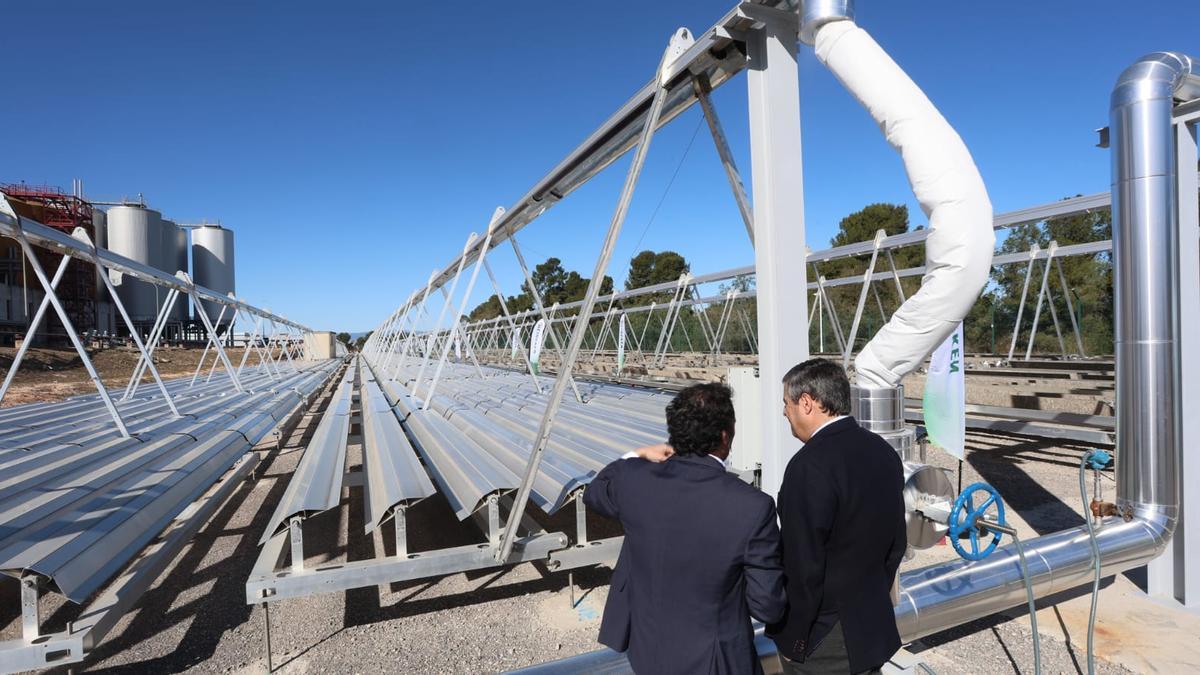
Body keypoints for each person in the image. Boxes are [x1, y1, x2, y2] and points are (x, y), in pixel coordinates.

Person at [584, 382, 786, 674]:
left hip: (647, 653)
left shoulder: (634, 481)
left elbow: (596, 490)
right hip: (716, 662)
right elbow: (767, 606)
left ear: (674, 431)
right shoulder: (752, 506)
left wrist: (637, 453)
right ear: (725, 435)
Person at [769, 358, 906, 674]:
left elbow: (803, 566)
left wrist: (796, 639)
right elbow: (896, 543)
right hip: (870, 626)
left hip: (824, 639)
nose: (784, 412)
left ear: (806, 403)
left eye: (786, 404)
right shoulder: (882, 451)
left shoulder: (809, 466)